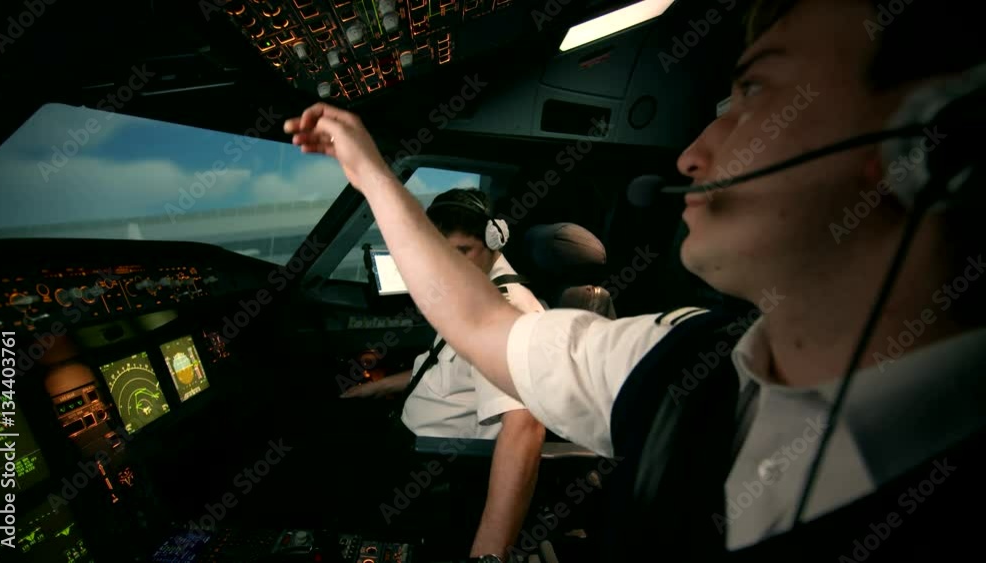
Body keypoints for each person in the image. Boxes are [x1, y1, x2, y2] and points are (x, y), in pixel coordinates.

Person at [286, 0, 986, 558]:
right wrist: (371, 172)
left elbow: (513, 404)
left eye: (755, 90)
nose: (690, 156)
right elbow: (475, 322)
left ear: (939, 142)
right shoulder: (674, 355)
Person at [341, 188, 547, 561]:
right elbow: (444, 370)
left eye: (462, 251)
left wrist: (487, 554)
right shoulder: (475, 289)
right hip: (411, 442)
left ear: (493, 241)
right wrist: (378, 387)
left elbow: (525, 429)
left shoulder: (505, 316)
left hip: (435, 466)